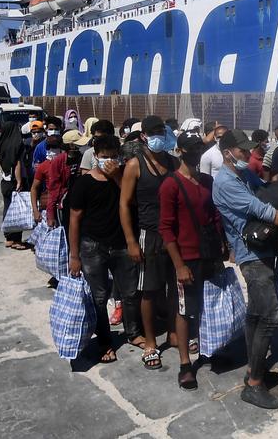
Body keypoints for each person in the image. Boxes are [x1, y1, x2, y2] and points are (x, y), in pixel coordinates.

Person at [212, 128, 278, 409]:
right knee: (269, 316)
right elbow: (262, 209)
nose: (247, 154)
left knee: (255, 316)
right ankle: (253, 386)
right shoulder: (225, 182)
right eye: (242, 151)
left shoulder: (243, 174)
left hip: (264, 250)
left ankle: (254, 369)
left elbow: (265, 190)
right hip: (250, 255)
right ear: (228, 153)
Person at [66, 134, 142, 364]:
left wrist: (118, 176)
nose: (108, 161)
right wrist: (74, 255)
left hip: (121, 245)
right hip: (93, 247)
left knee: (129, 293)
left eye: (113, 157)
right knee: (99, 297)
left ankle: (134, 333)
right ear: (94, 157)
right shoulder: (84, 183)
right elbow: (74, 219)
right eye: (103, 157)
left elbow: (133, 202)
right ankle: (105, 341)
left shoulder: (123, 180)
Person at [159, 135, 223, 390]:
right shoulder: (170, 185)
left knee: (209, 306)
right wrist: (179, 265)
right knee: (185, 310)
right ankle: (186, 364)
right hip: (186, 258)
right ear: (180, 151)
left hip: (208, 254)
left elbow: (214, 215)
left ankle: (209, 347)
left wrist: (223, 247)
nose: (196, 153)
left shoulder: (207, 181)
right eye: (192, 148)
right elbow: (165, 228)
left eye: (200, 148)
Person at [119, 115, 178, 369]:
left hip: (173, 234)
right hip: (149, 233)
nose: (157, 138)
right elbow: (124, 204)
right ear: (143, 136)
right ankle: (151, 342)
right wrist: (132, 241)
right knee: (149, 290)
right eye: (152, 133)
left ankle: (175, 332)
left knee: (176, 286)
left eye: (160, 133)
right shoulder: (135, 165)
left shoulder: (173, 163)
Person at [0, 121, 30, 249]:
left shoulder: (1, 143)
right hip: (15, 182)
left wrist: (5, 173)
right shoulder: (17, 144)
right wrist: (19, 181)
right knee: (17, 210)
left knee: (7, 208)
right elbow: (17, 164)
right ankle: (16, 240)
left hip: (5, 181)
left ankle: (8, 238)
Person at [30, 136, 70, 227]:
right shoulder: (43, 166)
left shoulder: (68, 163)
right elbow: (34, 188)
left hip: (66, 204)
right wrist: (35, 210)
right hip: (50, 205)